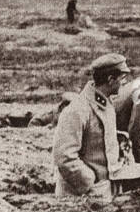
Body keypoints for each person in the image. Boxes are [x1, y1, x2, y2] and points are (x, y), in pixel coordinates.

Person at [53, 54, 133, 200]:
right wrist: (90, 182)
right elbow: (64, 157)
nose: (125, 82)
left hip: (108, 183)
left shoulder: (104, 103)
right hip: (83, 193)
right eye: (122, 78)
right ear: (110, 80)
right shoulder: (77, 110)